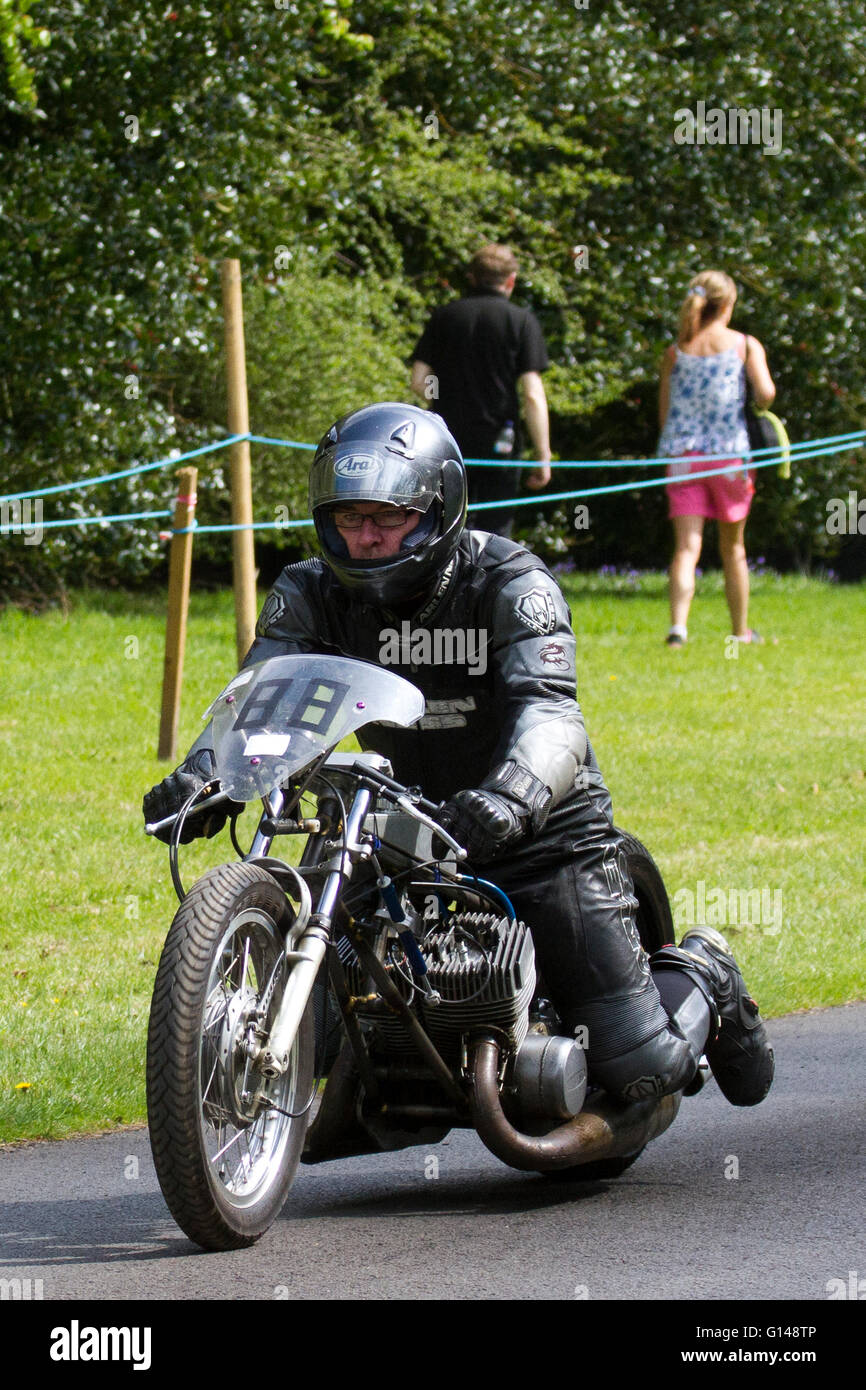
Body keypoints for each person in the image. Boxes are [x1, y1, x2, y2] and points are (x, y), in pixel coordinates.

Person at [143, 402, 774, 1111]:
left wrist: (511, 798)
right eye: (349, 519)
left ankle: (705, 971)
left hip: (542, 837)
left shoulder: (511, 582)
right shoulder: (310, 592)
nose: (368, 538)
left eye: (388, 517)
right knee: (317, 1027)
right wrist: (207, 777)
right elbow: (260, 698)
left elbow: (552, 713)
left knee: (640, 1067)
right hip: (393, 838)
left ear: (438, 506)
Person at [658, 270, 776, 647]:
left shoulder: (675, 352)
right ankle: (739, 631)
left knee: (686, 548)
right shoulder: (744, 344)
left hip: (683, 457)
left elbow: (665, 414)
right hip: (729, 458)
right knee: (734, 548)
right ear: (728, 304)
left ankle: (678, 629)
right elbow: (765, 393)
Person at [410, 243, 551, 537]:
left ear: (471, 278)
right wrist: (543, 455)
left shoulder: (445, 316)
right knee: (495, 534)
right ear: (510, 280)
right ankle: (491, 581)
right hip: (500, 443)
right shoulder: (522, 321)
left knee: (443, 527)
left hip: (445, 439)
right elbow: (533, 395)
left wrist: (444, 400)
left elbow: (419, 381)